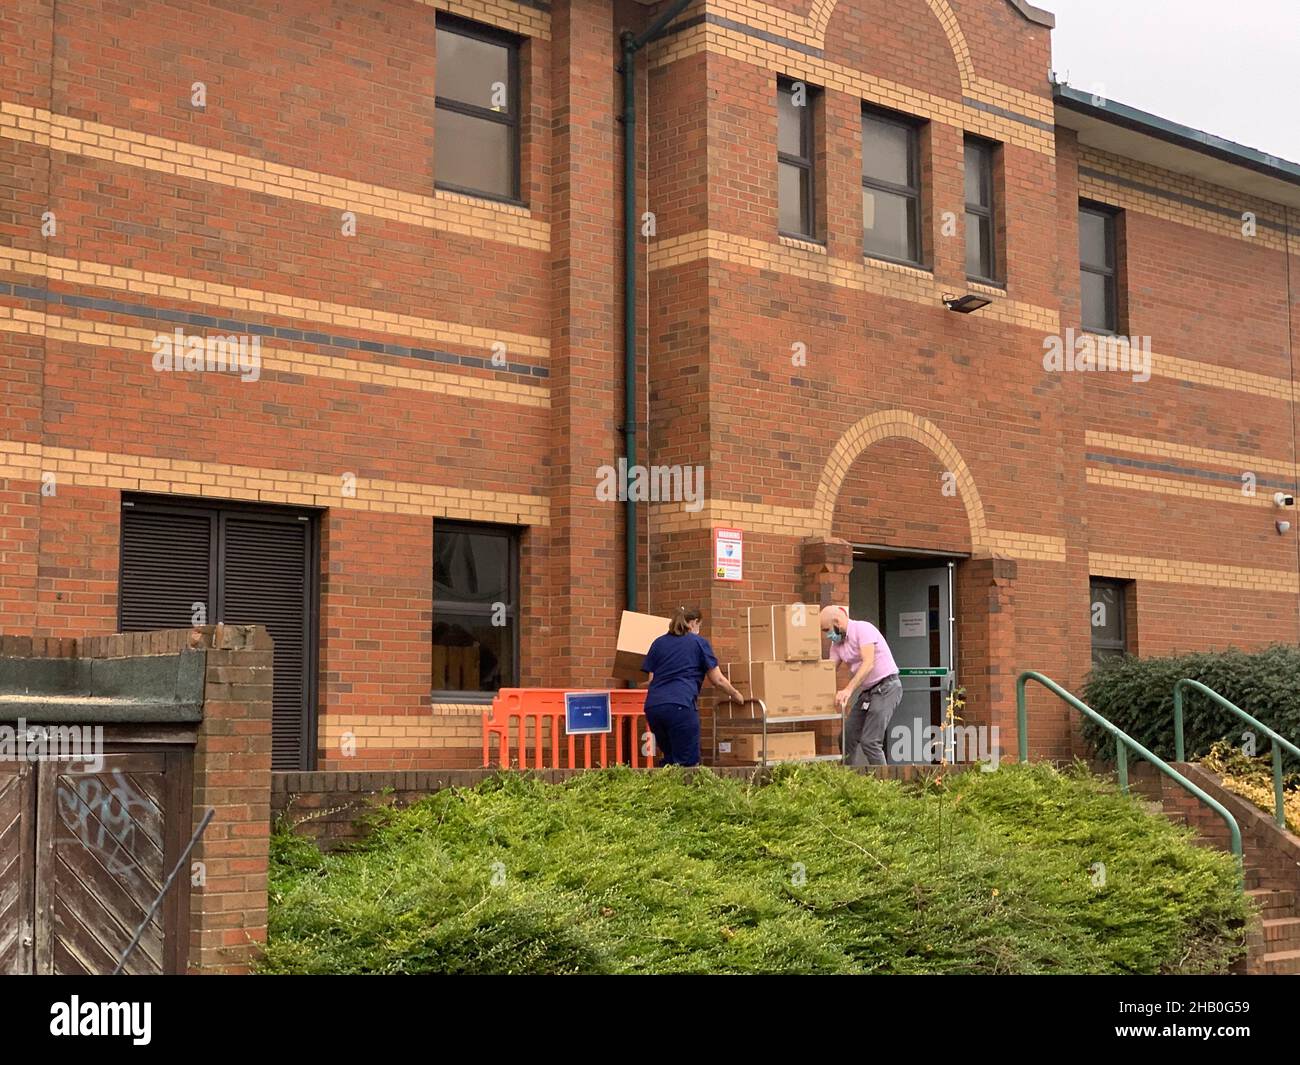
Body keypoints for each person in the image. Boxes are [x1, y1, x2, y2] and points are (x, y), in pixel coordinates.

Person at [642, 606, 744, 767]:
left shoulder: (658, 643)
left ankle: (664, 789)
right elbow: (718, 680)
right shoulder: (699, 643)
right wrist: (737, 694)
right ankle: (684, 791)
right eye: (699, 625)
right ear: (694, 623)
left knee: (670, 759)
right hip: (680, 705)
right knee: (687, 763)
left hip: (654, 707)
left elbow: (651, 680)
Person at [820, 605, 901, 767]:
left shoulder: (863, 629)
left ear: (837, 622)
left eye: (827, 630)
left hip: (886, 687)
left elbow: (868, 663)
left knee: (870, 741)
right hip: (868, 692)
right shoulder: (837, 644)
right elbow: (828, 671)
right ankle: (850, 782)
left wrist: (848, 690)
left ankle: (885, 787)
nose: (828, 635)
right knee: (846, 737)